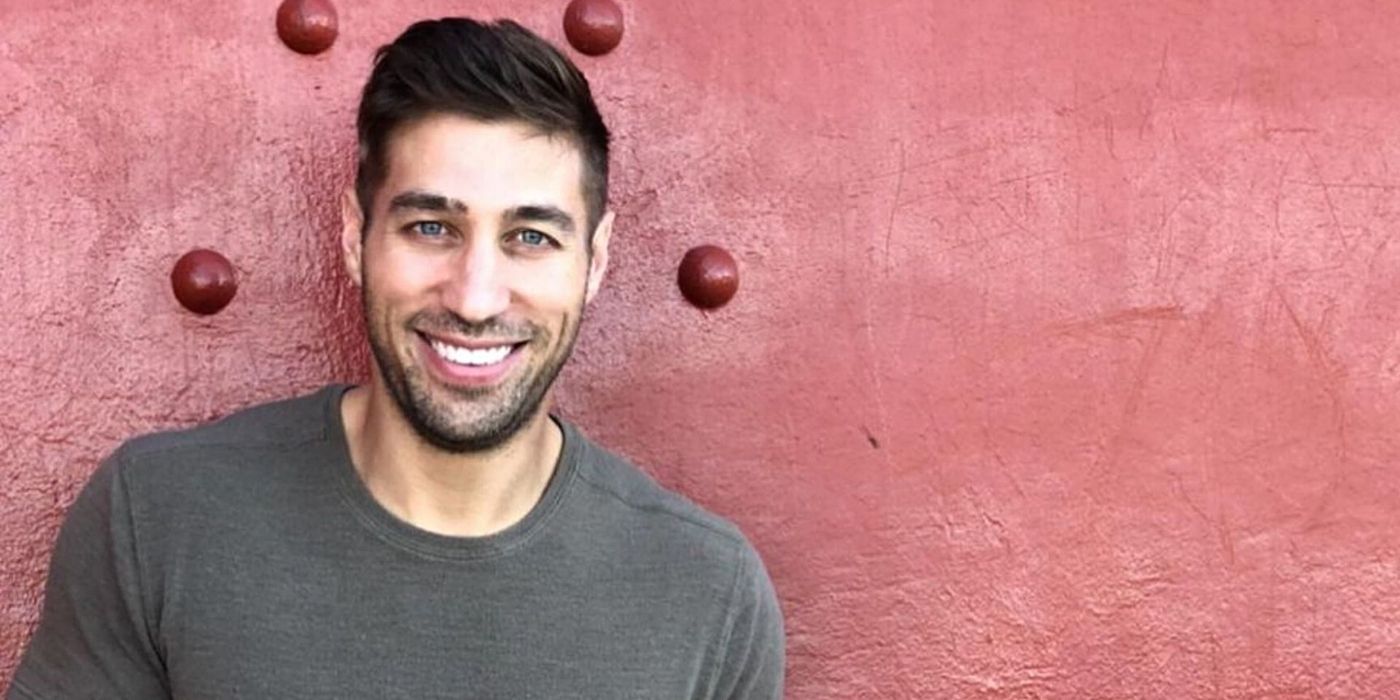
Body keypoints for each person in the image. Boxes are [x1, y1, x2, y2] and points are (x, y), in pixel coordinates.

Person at [8, 17, 784, 700]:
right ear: (356, 236)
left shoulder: (706, 595)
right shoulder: (160, 521)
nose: (475, 298)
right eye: (431, 228)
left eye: (531, 237)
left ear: (597, 259)